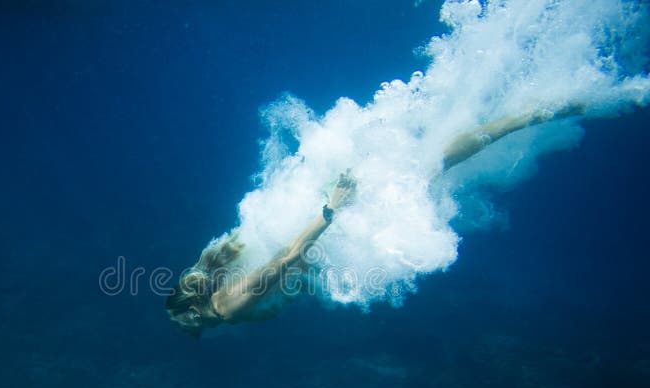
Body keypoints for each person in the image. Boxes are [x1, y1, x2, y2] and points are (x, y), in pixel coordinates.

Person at [166, 104, 585, 337]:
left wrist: (333, 208)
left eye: (181, 323)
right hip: (320, 218)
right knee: (425, 160)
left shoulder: (227, 307)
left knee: (431, 164)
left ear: (192, 310)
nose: (185, 333)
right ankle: (506, 111)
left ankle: (528, 115)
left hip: (332, 220)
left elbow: (286, 257)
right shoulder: (219, 288)